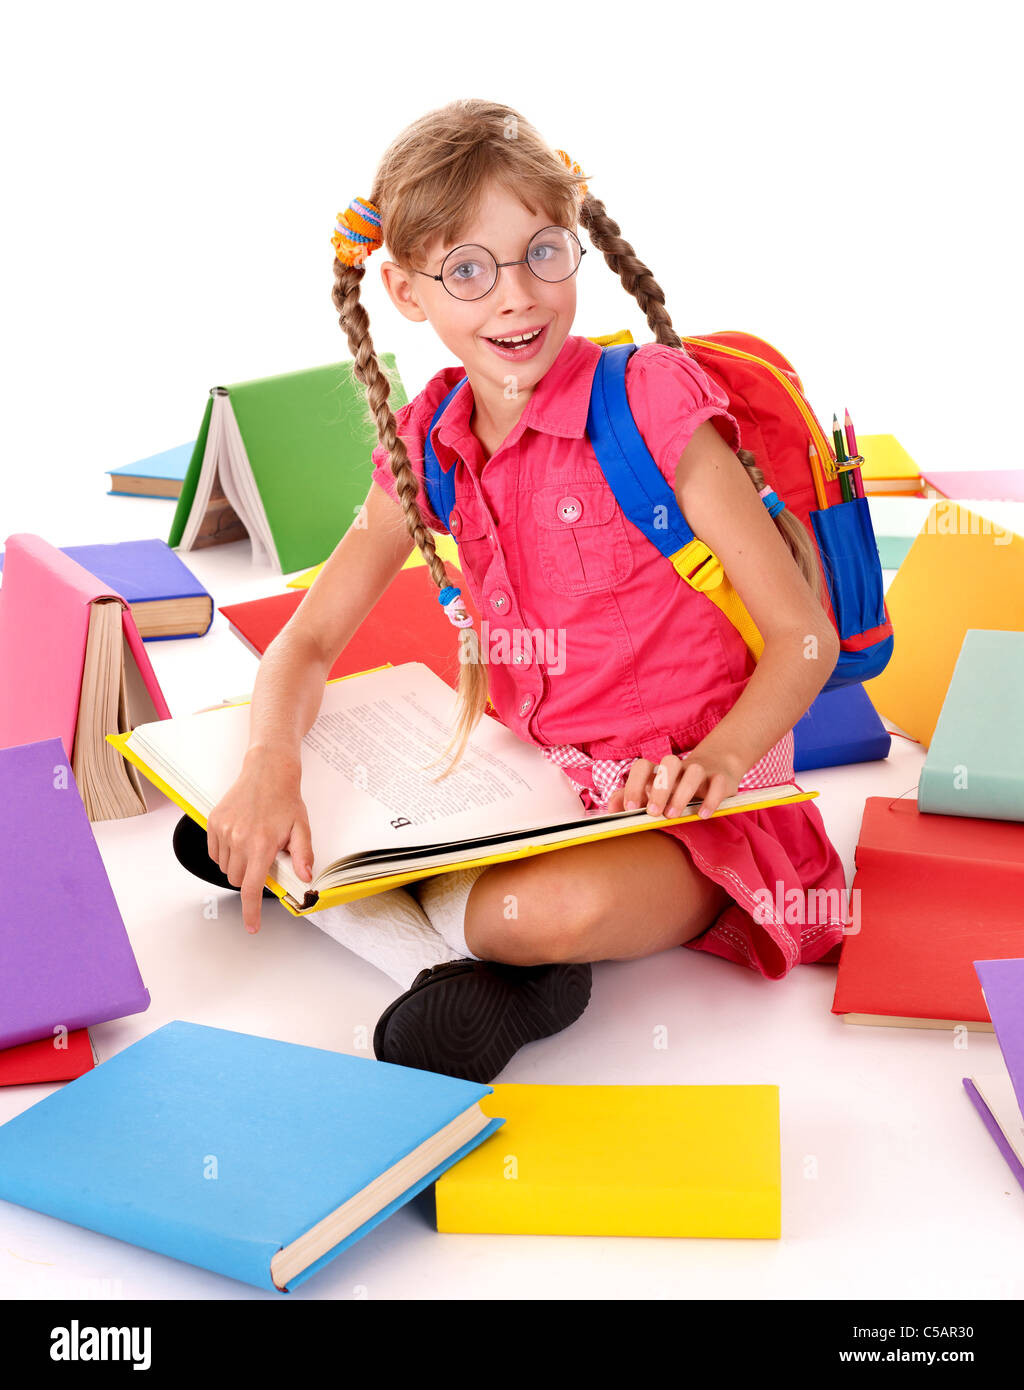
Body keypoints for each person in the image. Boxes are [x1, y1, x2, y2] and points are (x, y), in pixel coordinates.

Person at [173, 98, 849, 1085]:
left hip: (683, 816)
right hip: (528, 789)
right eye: (467, 271)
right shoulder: (431, 439)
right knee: (263, 781)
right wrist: (271, 762)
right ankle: (487, 971)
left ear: (574, 244)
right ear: (406, 291)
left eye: (541, 252)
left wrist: (719, 757)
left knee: (539, 914)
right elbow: (309, 644)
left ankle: (438, 936)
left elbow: (803, 639)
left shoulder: (649, 400)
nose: (515, 299)